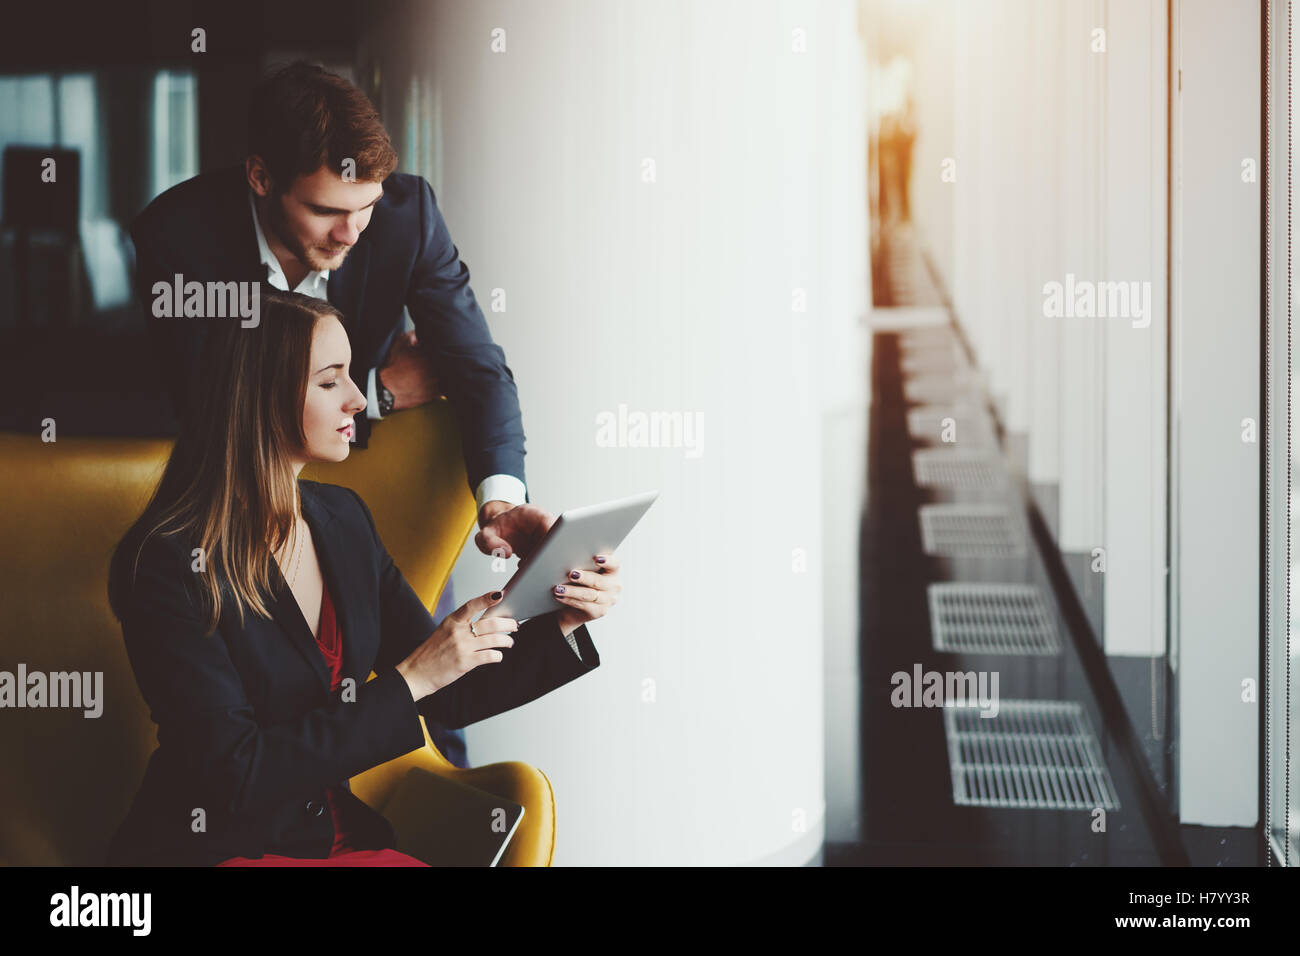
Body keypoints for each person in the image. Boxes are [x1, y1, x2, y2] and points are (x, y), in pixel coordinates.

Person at [131, 60, 554, 766]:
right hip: (235, 497)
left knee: (435, 700)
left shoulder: (405, 216)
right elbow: (212, 398)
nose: (354, 233)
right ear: (261, 177)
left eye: (367, 207)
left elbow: (477, 369)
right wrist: (378, 389)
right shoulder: (179, 236)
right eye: (328, 211)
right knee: (266, 694)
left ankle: (432, 799)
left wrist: (501, 505)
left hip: (362, 498)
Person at [104, 291, 622, 866]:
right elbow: (236, 773)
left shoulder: (343, 519)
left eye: (350, 376)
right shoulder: (168, 563)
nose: (357, 399)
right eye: (330, 382)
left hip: (335, 842)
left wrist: (560, 611)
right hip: (220, 851)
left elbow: (449, 694)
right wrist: (410, 679)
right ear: (256, 397)